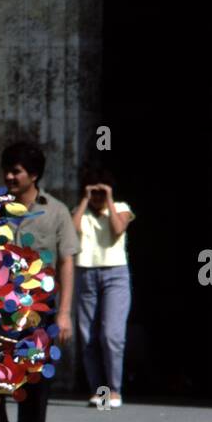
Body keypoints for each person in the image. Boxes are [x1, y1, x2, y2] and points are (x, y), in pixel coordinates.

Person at [0, 140, 79, 422]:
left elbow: (67, 261)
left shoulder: (56, 212)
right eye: (7, 169)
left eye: (16, 170)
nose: (9, 176)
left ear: (33, 174)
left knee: (34, 391)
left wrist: (64, 314)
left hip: (41, 313)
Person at [72, 166, 134, 408]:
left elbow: (118, 230)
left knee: (111, 334)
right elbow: (71, 231)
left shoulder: (122, 208)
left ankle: (114, 390)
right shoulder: (80, 212)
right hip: (85, 272)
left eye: (101, 193)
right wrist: (85, 199)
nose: (97, 198)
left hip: (115, 274)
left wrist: (108, 199)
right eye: (94, 193)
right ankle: (100, 391)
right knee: (87, 335)